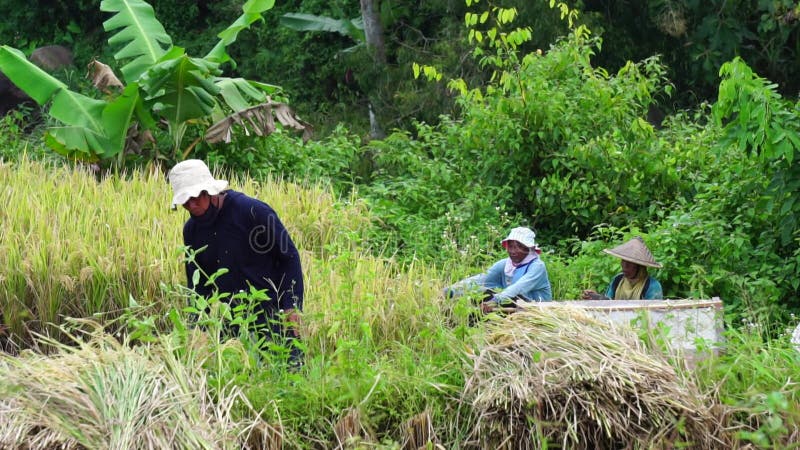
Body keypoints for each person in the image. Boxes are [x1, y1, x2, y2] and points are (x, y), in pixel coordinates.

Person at [167, 159, 304, 362]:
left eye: (195, 197)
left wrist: (291, 306)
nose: (191, 205)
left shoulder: (254, 212)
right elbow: (199, 286)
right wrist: (197, 329)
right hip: (232, 321)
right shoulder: (192, 231)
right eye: (185, 201)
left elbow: (289, 257)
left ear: (209, 191)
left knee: (287, 376)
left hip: (273, 316)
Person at [446, 227, 552, 313]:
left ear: (528, 249)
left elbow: (518, 288)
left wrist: (495, 300)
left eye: (518, 247)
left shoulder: (537, 266)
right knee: (480, 293)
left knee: (501, 298)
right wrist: (453, 290)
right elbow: (481, 279)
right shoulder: (505, 264)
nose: (513, 251)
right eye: (511, 246)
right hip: (512, 302)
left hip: (535, 308)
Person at [581, 236, 664, 301]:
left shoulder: (652, 286)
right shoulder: (618, 280)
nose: (624, 266)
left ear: (640, 267)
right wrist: (597, 297)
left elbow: (652, 313)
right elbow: (608, 302)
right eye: (623, 261)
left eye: (629, 264)